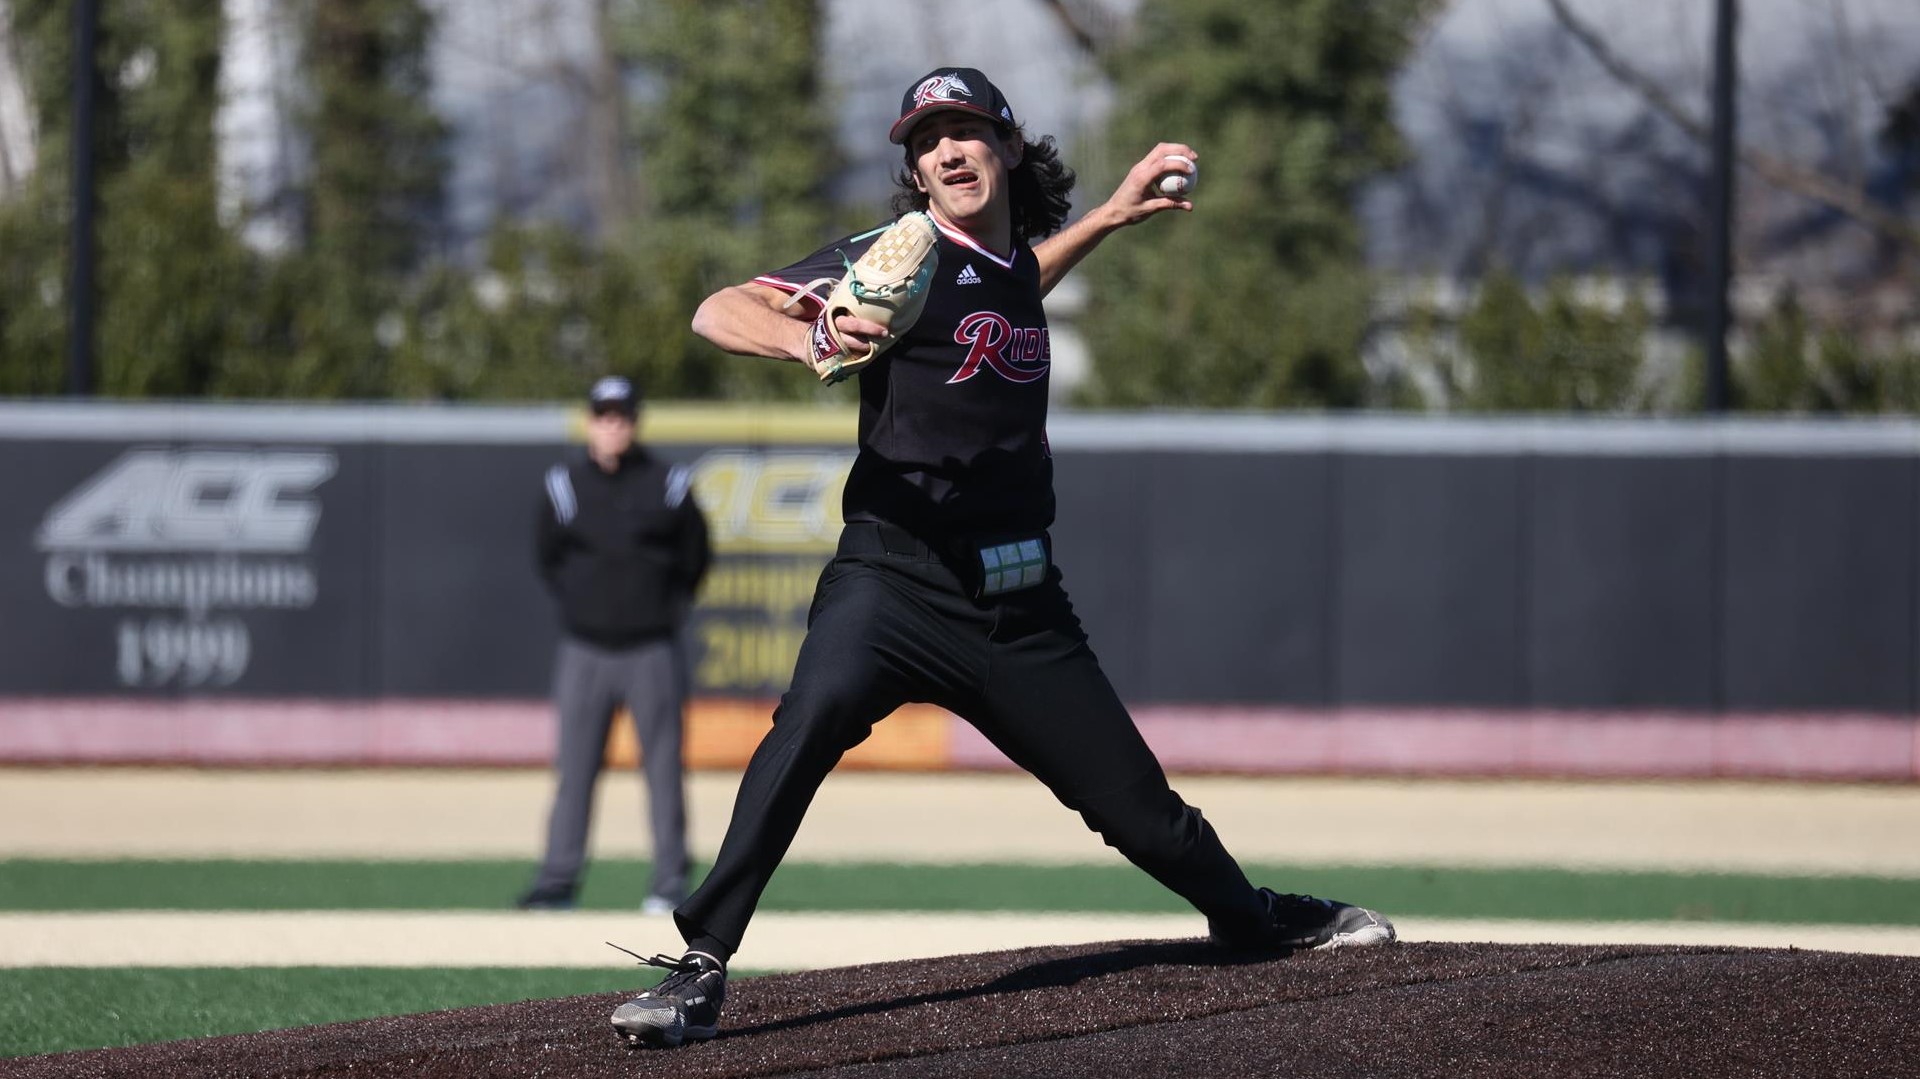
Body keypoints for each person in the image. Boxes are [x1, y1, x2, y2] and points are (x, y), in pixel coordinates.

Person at [608, 67, 1393, 1049]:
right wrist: (812, 334)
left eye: (966, 128)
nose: (946, 148)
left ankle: (1247, 915)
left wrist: (1107, 216)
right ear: (916, 170)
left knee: (1142, 812)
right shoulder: (901, 255)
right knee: (804, 725)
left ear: (1009, 147)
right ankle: (701, 962)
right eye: (926, 138)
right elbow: (718, 309)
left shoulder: (1009, 263)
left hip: (1017, 601)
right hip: (891, 578)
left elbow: (1019, 279)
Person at [517, 375, 712, 915]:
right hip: (586, 648)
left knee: (664, 771)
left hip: (652, 648)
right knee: (574, 769)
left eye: (621, 417)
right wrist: (583, 606)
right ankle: (557, 881)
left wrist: (666, 607)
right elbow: (547, 558)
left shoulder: (668, 482)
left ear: (634, 421)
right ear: (590, 422)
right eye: (603, 416)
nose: (612, 426)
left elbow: (696, 556)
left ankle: (671, 883)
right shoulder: (565, 485)